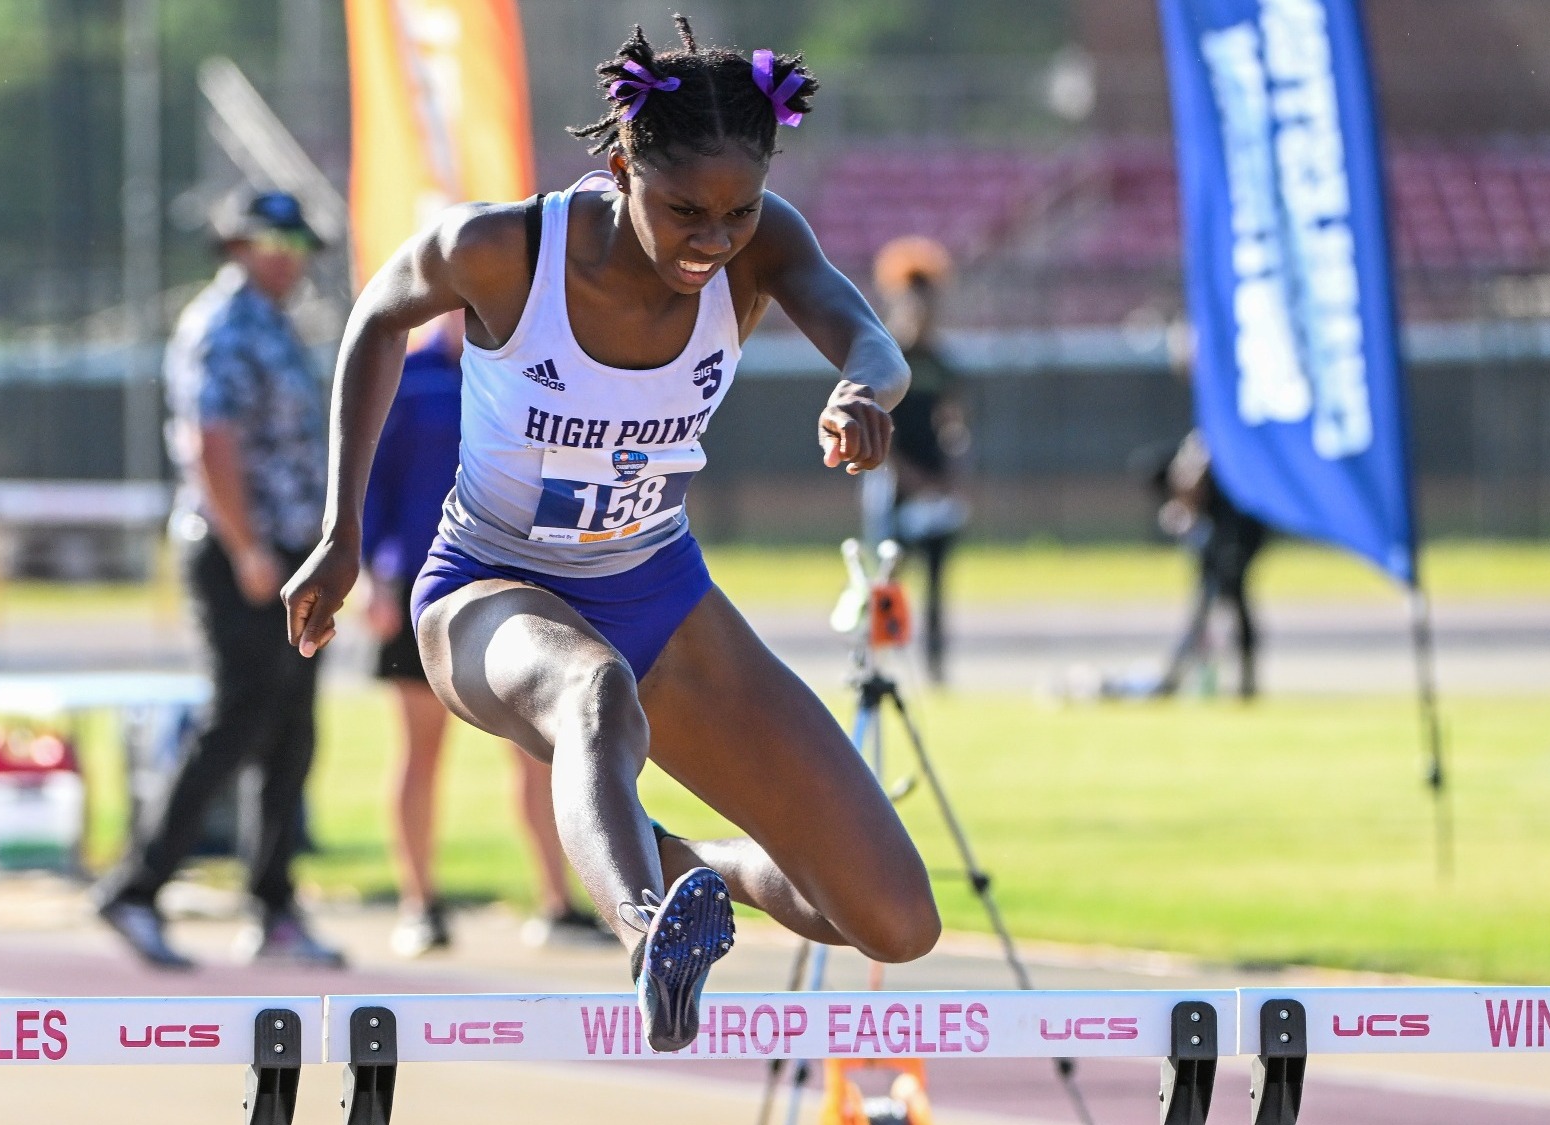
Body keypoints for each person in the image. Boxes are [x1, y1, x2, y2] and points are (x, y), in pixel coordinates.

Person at [283, 18, 940, 1052]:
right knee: (591, 690)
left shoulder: (764, 244)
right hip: (487, 592)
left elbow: (866, 335)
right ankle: (648, 933)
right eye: (683, 212)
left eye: (735, 212)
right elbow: (377, 316)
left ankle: (687, 872)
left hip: (659, 592)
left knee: (889, 921)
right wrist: (340, 530)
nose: (710, 242)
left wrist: (864, 388)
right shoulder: (502, 250)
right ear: (619, 160)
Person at [93, 189, 346, 970]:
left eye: (300, 244)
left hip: (293, 550)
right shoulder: (225, 323)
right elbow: (212, 441)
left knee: (291, 731)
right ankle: (136, 888)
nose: (291, 258)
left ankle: (272, 902)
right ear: (237, 245)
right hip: (247, 552)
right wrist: (248, 549)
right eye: (276, 242)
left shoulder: (274, 323)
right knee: (236, 721)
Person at [361, 315, 615, 956]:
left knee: (542, 750)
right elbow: (371, 479)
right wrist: (370, 574)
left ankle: (558, 904)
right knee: (422, 751)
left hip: (515, 592)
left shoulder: (529, 377)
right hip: (425, 587)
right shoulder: (408, 376)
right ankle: (420, 904)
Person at [874, 236, 969, 684]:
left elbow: (953, 421)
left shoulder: (942, 361)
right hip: (895, 483)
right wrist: (903, 473)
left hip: (935, 482)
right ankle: (881, 661)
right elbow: (875, 419)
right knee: (888, 577)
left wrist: (950, 470)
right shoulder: (888, 357)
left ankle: (935, 667)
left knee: (935, 582)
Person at [1150, 430, 1269, 699]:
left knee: (1227, 599)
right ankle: (1181, 675)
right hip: (1221, 535)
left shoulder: (1222, 448)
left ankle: (1237, 680)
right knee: (1209, 603)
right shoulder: (1202, 444)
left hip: (1238, 534)